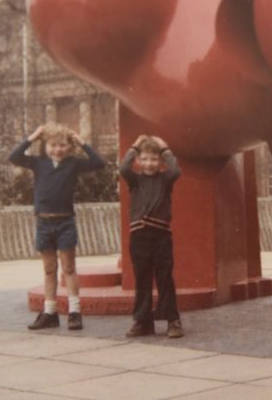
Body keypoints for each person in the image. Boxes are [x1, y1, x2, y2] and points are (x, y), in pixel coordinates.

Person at [9, 123, 106, 331]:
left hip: (65, 222)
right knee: (49, 269)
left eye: (62, 145)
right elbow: (14, 157)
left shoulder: (73, 163)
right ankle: (50, 312)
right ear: (45, 145)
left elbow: (99, 163)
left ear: (69, 147)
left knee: (69, 267)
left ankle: (74, 311)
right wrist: (33, 137)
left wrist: (81, 142)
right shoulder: (38, 163)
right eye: (52, 145)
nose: (57, 149)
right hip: (44, 222)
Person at [119, 134, 184, 338]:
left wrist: (165, 148)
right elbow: (123, 168)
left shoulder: (165, 179)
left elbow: (175, 169)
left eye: (154, 159)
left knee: (165, 278)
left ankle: (172, 320)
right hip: (139, 236)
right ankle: (142, 321)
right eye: (145, 159)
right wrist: (135, 146)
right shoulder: (135, 180)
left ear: (160, 161)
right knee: (142, 278)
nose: (149, 163)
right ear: (138, 161)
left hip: (161, 235)